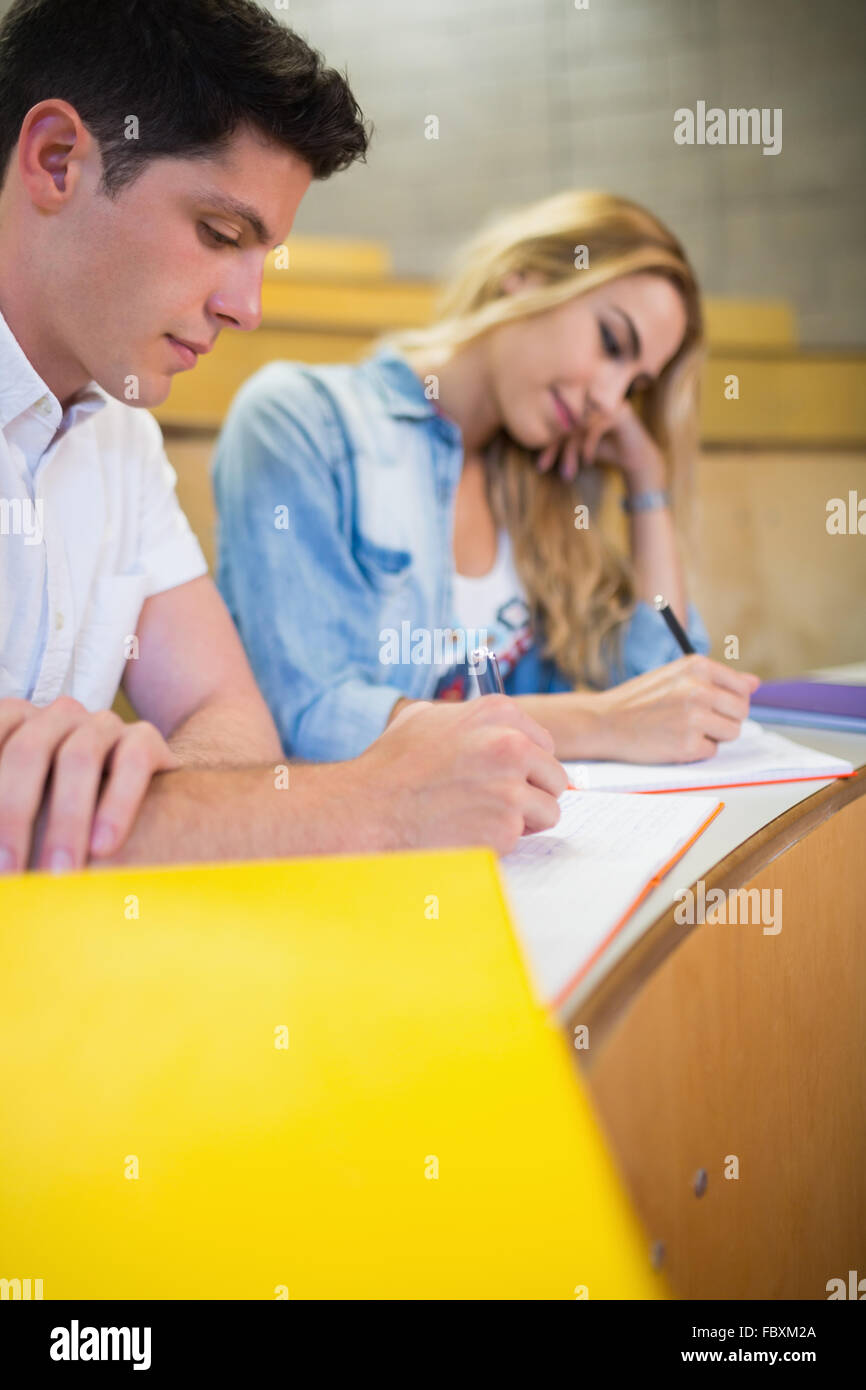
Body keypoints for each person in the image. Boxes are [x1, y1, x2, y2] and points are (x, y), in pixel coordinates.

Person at [0, 0, 566, 875]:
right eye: (219, 234)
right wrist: (383, 801)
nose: (248, 307)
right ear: (57, 159)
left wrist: (149, 815)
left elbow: (231, 716)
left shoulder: (123, 436)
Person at [214, 190, 759, 766]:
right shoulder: (302, 420)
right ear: (522, 276)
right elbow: (311, 716)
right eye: (611, 342)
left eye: (635, 385)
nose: (609, 398)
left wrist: (647, 486)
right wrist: (595, 722)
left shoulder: (548, 480)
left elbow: (665, 694)